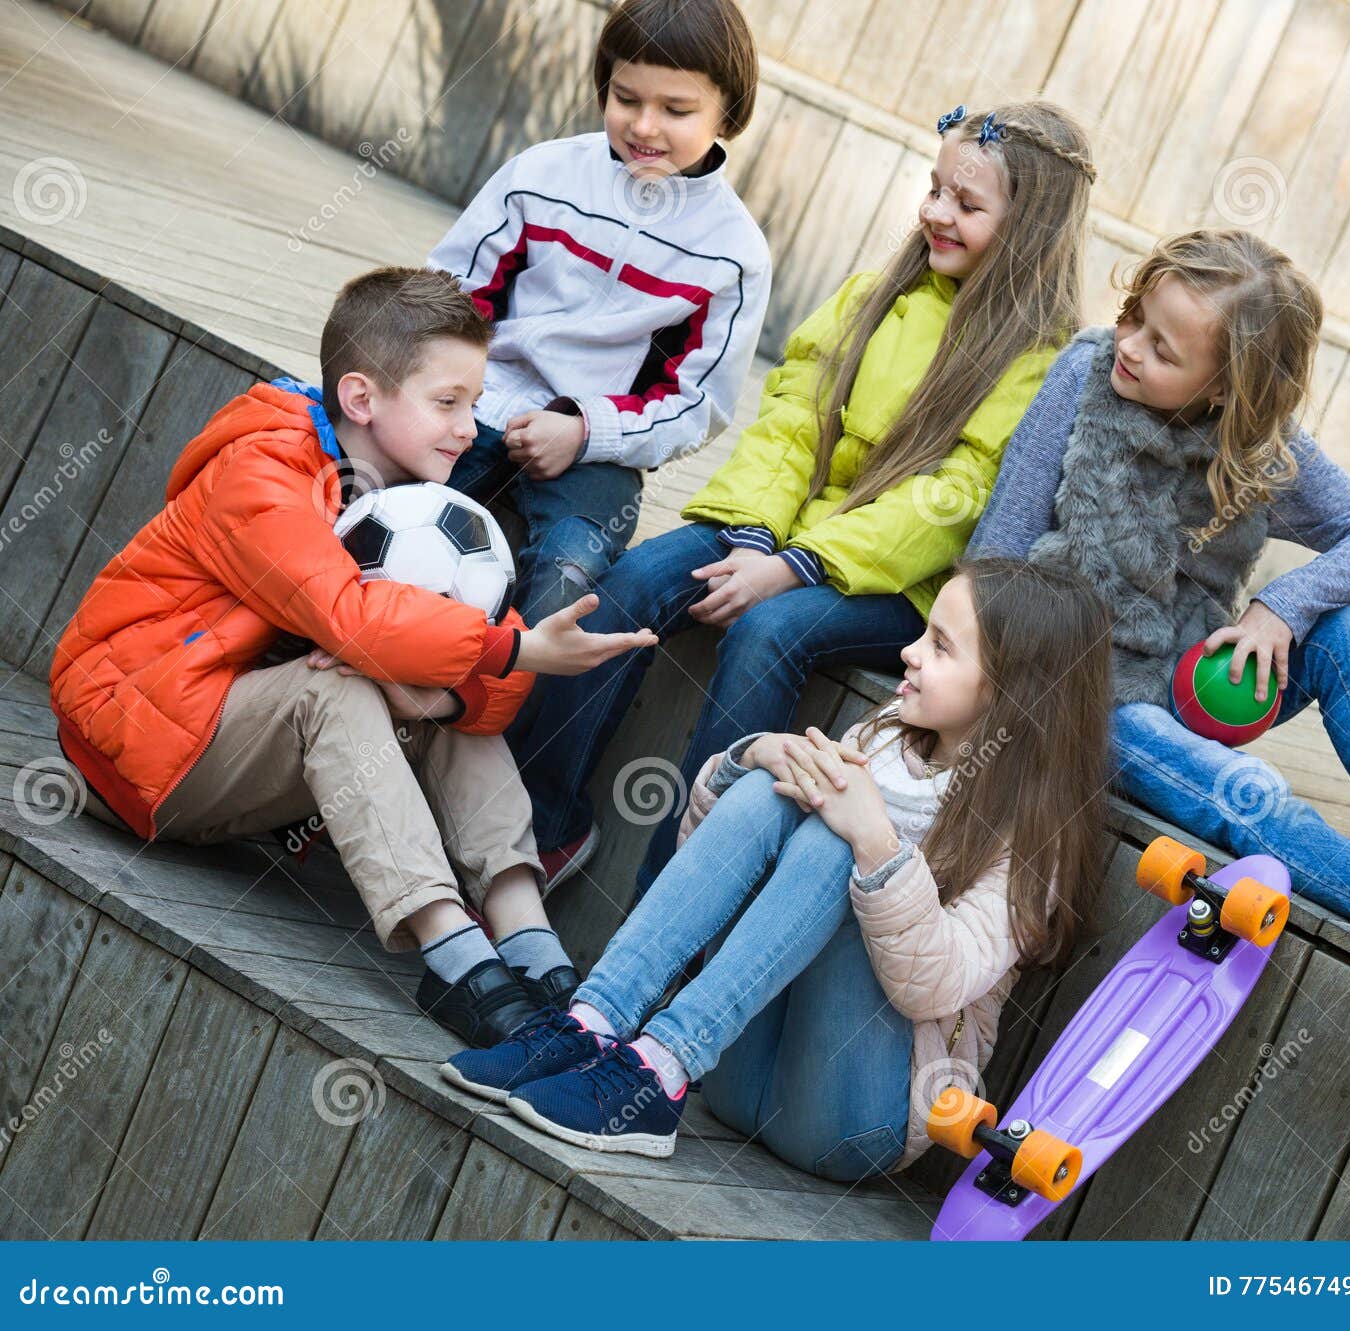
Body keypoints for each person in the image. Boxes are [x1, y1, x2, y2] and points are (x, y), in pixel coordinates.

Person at [49, 267, 655, 1047]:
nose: (474, 429)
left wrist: (439, 698)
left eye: (474, 402)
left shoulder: (417, 514)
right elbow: (352, 618)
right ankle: (453, 955)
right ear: (363, 400)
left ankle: (532, 945)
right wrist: (516, 647)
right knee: (333, 688)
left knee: (425, 684)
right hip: (134, 748)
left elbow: (487, 694)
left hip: (230, 748)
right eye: (448, 403)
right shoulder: (260, 472)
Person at [520, 99, 1098, 897]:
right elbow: (793, 417)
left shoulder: (1037, 358)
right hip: (779, 533)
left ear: (1030, 228)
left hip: (894, 580)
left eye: (967, 205)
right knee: (638, 580)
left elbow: (956, 496)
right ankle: (541, 828)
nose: (935, 213)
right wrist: (758, 538)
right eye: (934, 189)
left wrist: (798, 566)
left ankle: (675, 888)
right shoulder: (874, 293)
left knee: (769, 630)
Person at [970, 228, 1350, 990]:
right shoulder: (1084, 375)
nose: (1131, 346)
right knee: (1245, 792)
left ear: (1225, 390)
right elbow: (995, 558)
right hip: (1077, 697)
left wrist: (1279, 607)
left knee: (1340, 630)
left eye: (1165, 349)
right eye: (1135, 318)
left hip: (1183, 680)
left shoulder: (1259, 450)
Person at [441, 559, 1111, 1175]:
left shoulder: (1033, 838)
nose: (909, 652)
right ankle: (595, 1026)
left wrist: (878, 845)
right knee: (776, 787)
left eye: (940, 645)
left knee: (836, 839)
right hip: (734, 1073)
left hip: (851, 1115)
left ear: (1009, 694)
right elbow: (707, 870)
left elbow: (936, 989)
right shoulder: (883, 736)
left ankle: (661, 1067)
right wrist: (750, 758)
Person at [428, 0, 769, 630]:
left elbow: (699, 406)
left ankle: (497, 717)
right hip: (474, 405)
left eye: (677, 110)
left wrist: (588, 431)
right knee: (381, 499)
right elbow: (451, 294)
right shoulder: (542, 174)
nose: (645, 126)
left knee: (570, 576)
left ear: (729, 109)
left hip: (599, 453)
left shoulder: (734, 255)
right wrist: (452, 398)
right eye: (626, 98)